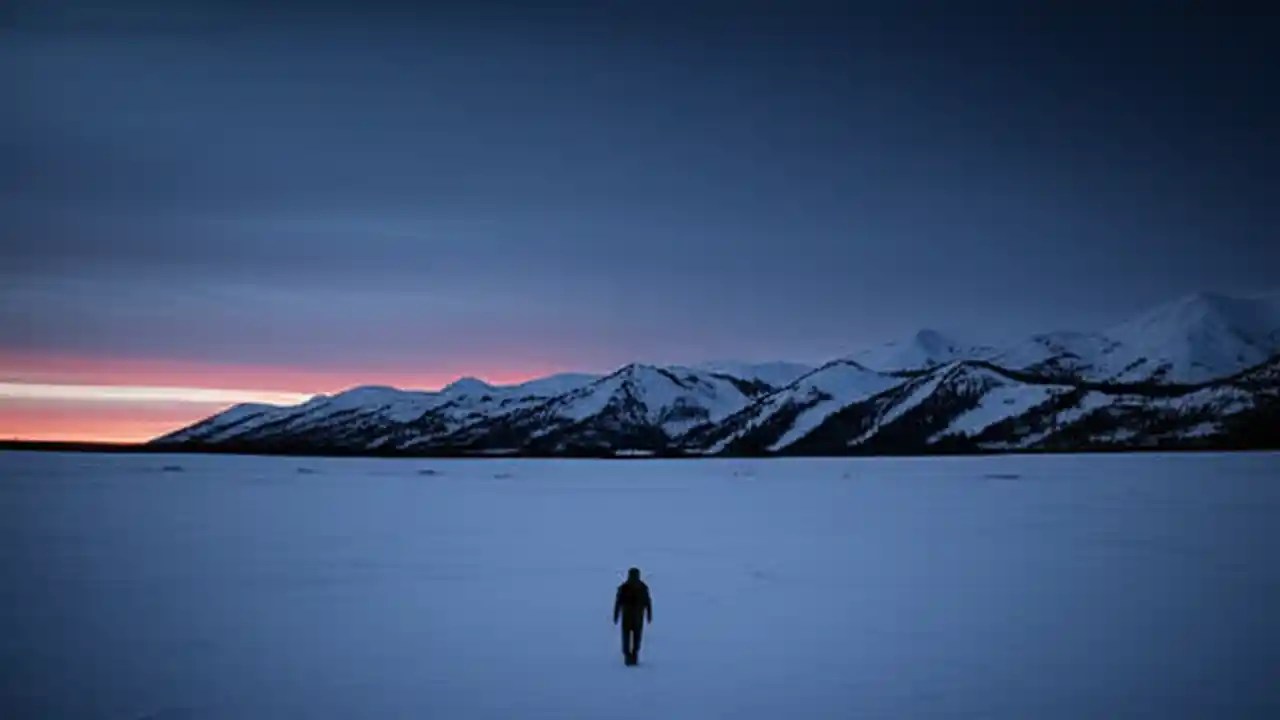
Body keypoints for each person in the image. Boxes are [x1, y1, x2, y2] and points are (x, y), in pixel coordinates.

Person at [613, 567, 653, 666]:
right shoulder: (642, 587)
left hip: (629, 618)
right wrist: (649, 615)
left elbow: (618, 603)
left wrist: (616, 615)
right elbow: (648, 603)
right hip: (637, 618)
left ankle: (629, 657)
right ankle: (633, 657)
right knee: (636, 639)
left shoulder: (625, 587)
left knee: (628, 639)